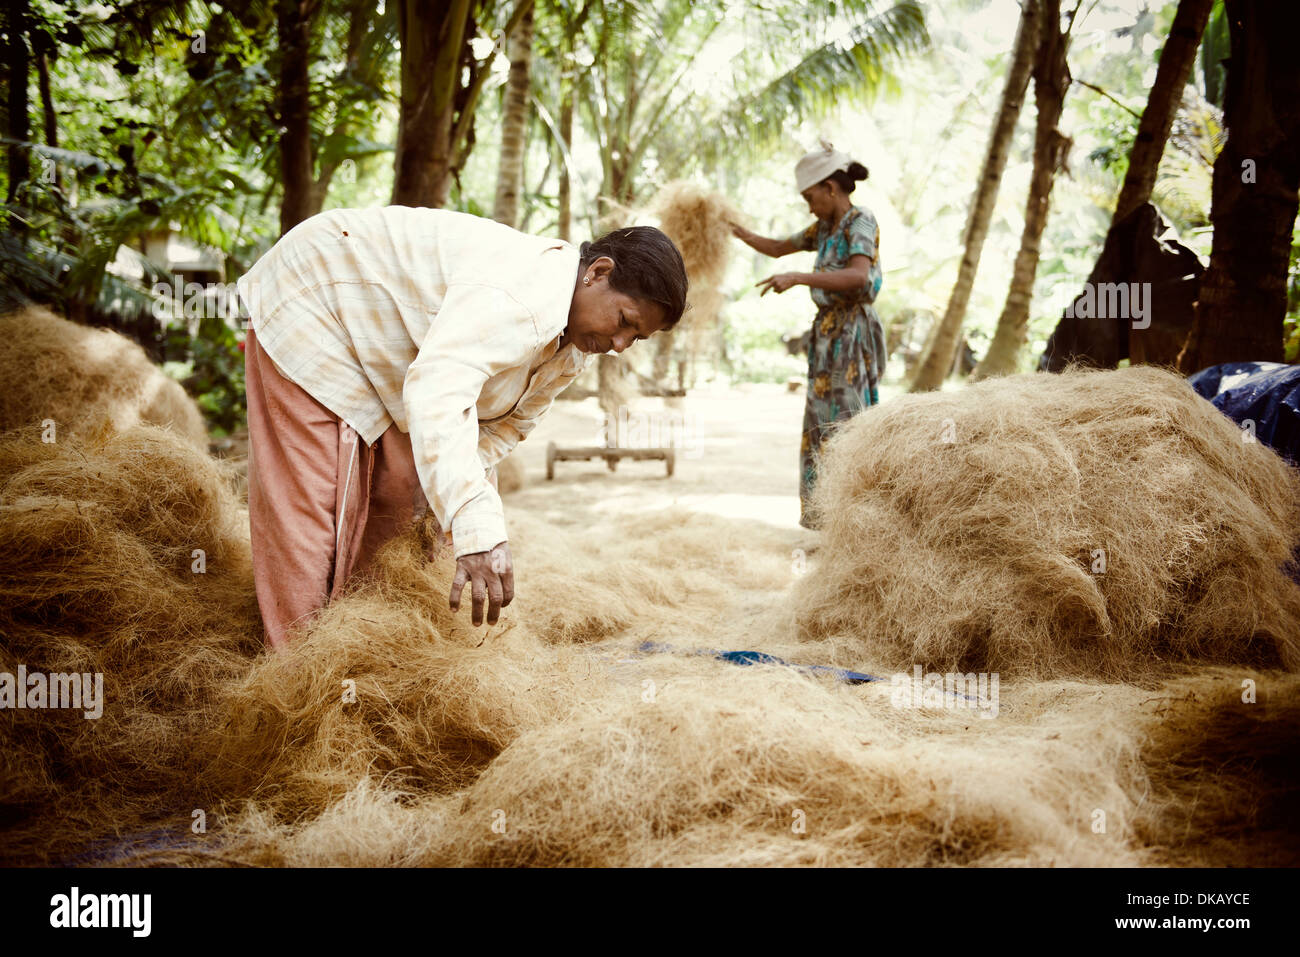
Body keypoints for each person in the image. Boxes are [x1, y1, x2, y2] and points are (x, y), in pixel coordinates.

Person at [236, 206, 687, 648]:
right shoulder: (524, 298)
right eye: (624, 321)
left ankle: (363, 643)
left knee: (407, 498)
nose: (620, 345)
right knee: (319, 497)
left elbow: (506, 428)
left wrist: (452, 503)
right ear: (598, 273)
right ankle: (299, 670)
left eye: (636, 338)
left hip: (392, 361)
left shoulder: (571, 350)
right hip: (313, 295)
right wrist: (473, 526)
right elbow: (438, 392)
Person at [730, 142, 886, 530]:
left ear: (831, 188)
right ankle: (824, 519)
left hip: (852, 333)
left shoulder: (860, 220)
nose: (809, 206)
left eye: (810, 196)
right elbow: (778, 248)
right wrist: (732, 229)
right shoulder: (823, 228)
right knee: (821, 422)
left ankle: (855, 520)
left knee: (849, 423)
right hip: (826, 337)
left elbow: (859, 275)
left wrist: (799, 278)